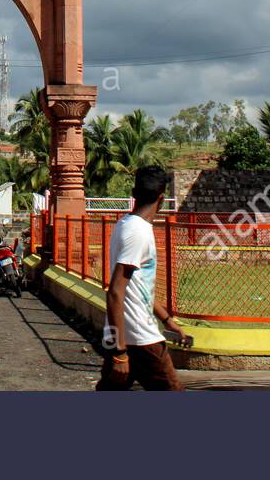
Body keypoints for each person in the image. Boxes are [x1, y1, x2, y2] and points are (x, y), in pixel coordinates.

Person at [98, 165, 189, 391]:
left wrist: (167, 320)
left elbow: (138, 289)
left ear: (133, 193)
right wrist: (120, 353)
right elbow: (116, 291)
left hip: (125, 336)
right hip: (139, 339)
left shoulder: (125, 225)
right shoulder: (138, 232)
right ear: (162, 198)